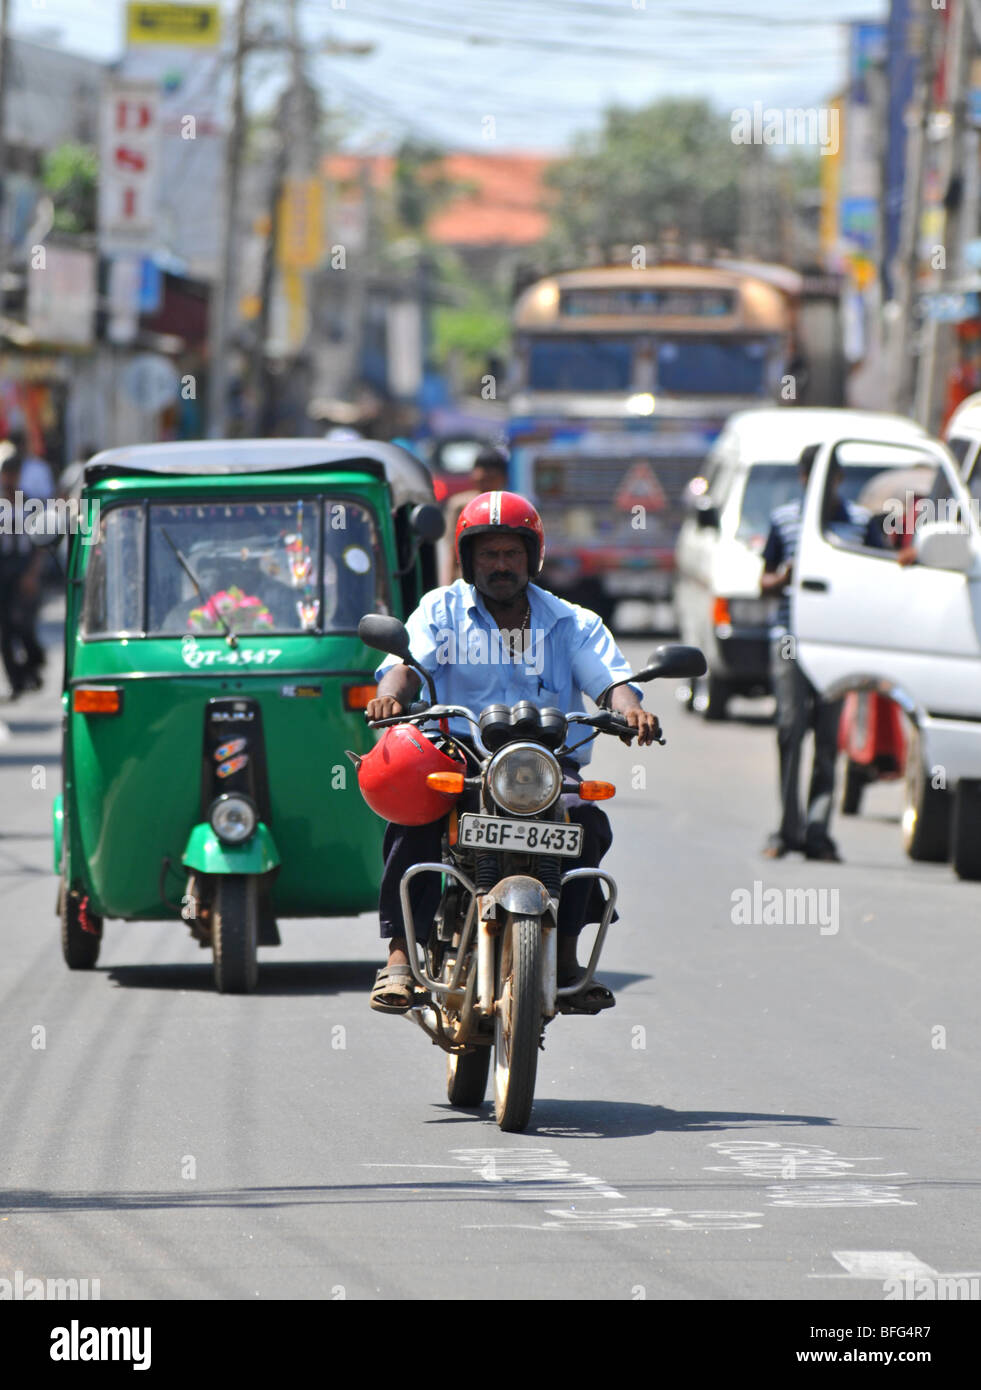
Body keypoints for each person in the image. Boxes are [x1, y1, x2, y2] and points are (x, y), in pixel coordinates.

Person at [364, 489, 661, 1014]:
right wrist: (390, 695)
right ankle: (399, 962)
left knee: (587, 828)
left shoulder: (571, 622)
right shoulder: (442, 610)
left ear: (533, 557)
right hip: (458, 757)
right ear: (469, 558)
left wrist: (631, 708)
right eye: (489, 554)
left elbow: (611, 681)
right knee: (414, 822)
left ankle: (566, 960)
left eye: (511, 554)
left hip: (544, 768)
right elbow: (407, 666)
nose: (501, 566)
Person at [760, 446, 887, 861]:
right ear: (803, 478)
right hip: (790, 638)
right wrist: (783, 577)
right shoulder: (785, 520)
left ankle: (818, 831)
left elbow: (880, 573)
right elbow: (764, 580)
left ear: (838, 480)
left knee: (829, 739)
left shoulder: (859, 525)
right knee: (791, 728)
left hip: (834, 642)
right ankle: (787, 828)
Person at [0, 456, 46, 698]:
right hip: (3, 569)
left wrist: (33, 573)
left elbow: (40, 543)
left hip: (24, 567)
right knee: (5, 630)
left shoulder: (29, 504)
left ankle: (34, 665)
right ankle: (16, 681)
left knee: (24, 626)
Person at [438, 446, 509, 586]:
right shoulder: (460, 505)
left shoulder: (512, 506)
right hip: (467, 584)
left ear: (503, 479)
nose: (486, 484)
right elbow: (452, 550)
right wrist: (446, 587)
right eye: (483, 479)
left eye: (491, 479)